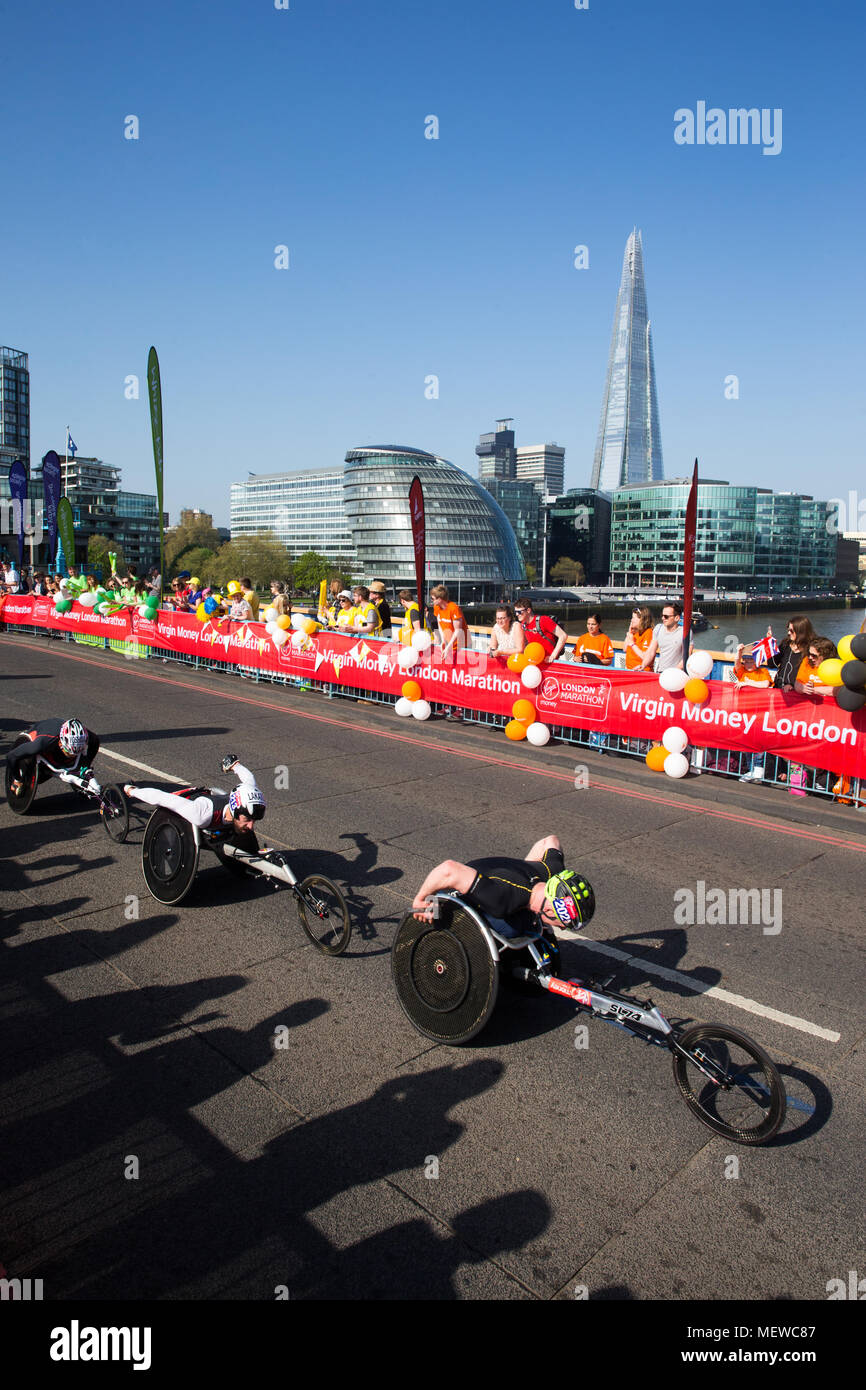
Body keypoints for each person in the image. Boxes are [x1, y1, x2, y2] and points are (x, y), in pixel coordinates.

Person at [411, 835, 595, 962]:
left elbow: (550, 840)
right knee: (513, 928)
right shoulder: (504, 900)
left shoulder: (552, 872)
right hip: (457, 891)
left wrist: (523, 866)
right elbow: (449, 869)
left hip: (491, 877)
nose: (561, 927)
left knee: (526, 920)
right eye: (563, 924)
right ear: (547, 909)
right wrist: (421, 899)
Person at [124, 755, 266, 854]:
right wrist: (133, 791)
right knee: (170, 803)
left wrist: (234, 764)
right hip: (194, 798)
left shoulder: (245, 798)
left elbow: (249, 779)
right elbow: (161, 798)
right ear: (235, 811)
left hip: (215, 798)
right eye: (247, 820)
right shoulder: (201, 815)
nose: (251, 826)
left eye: (253, 820)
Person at [6, 717, 100, 796]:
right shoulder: (42, 743)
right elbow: (11, 756)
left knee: (79, 760)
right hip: (41, 732)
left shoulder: (85, 736)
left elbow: (95, 742)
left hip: (58, 735)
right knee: (34, 764)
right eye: (69, 752)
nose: (72, 756)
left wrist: (87, 764)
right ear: (61, 742)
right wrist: (17, 779)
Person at [766, 615, 816, 691]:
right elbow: (772, 663)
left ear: (801, 631)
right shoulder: (785, 644)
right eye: (788, 630)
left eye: (792, 631)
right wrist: (770, 644)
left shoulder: (811, 650)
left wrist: (793, 686)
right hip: (779, 689)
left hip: (797, 692)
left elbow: (811, 674)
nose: (788, 633)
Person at [640, 602, 693, 673]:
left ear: (677, 618)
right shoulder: (658, 628)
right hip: (660, 672)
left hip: (677, 674)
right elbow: (651, 652)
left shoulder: (685, 632)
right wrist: (643, 665)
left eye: (666, 616)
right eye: (662, 615)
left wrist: (673, 672)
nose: (662, 618)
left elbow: (686, 656)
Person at [514, 597, 567, 662]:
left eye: (519, 612)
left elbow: (563, 636)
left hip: (549, 662)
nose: (517, 614)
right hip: (535, 661)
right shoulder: (523, 625)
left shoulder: (543, 620)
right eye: (515, 612)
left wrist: (553, 656)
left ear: (528, 610)